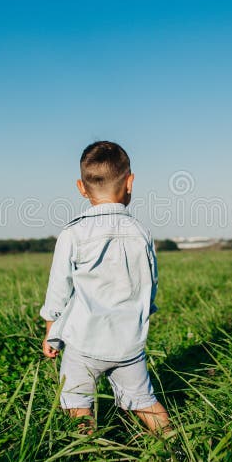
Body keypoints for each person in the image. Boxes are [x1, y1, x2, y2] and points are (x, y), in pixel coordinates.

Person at [40, 141, 170, 434]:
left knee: (77, 404)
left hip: (83, 344)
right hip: (129, 344)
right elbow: (151, 282)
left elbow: (58, 287)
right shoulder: (141, 233)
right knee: (144, 402)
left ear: (81, 188)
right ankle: (178, 447)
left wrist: (51, 328)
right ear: (130, 182)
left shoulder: (73, 233)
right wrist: (143, 312)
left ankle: (89, 451)